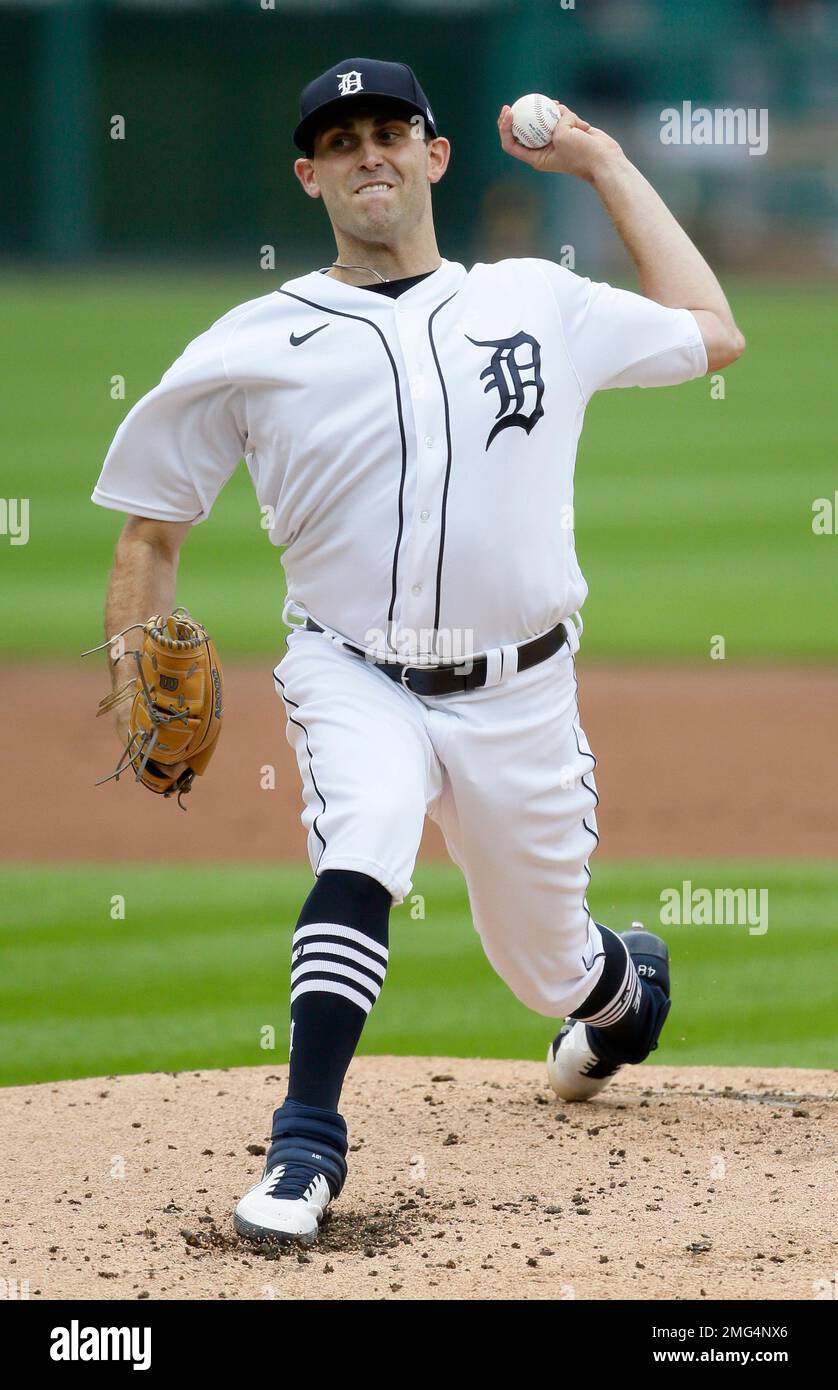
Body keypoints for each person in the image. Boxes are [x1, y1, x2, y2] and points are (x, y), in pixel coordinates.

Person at [92, 58, 745, 1248]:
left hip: (523, 693)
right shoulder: (257, 338)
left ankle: (619, 991)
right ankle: (303, 1147)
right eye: (339, 142)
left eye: (390, 131)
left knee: (554, 972)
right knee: (368, 836)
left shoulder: (539, 301)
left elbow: (714, 331)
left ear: (434, 156)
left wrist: (600, 161)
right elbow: (151, 526)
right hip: (353, 672)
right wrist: (131, 648)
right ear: (309, 176)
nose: (368, 154)